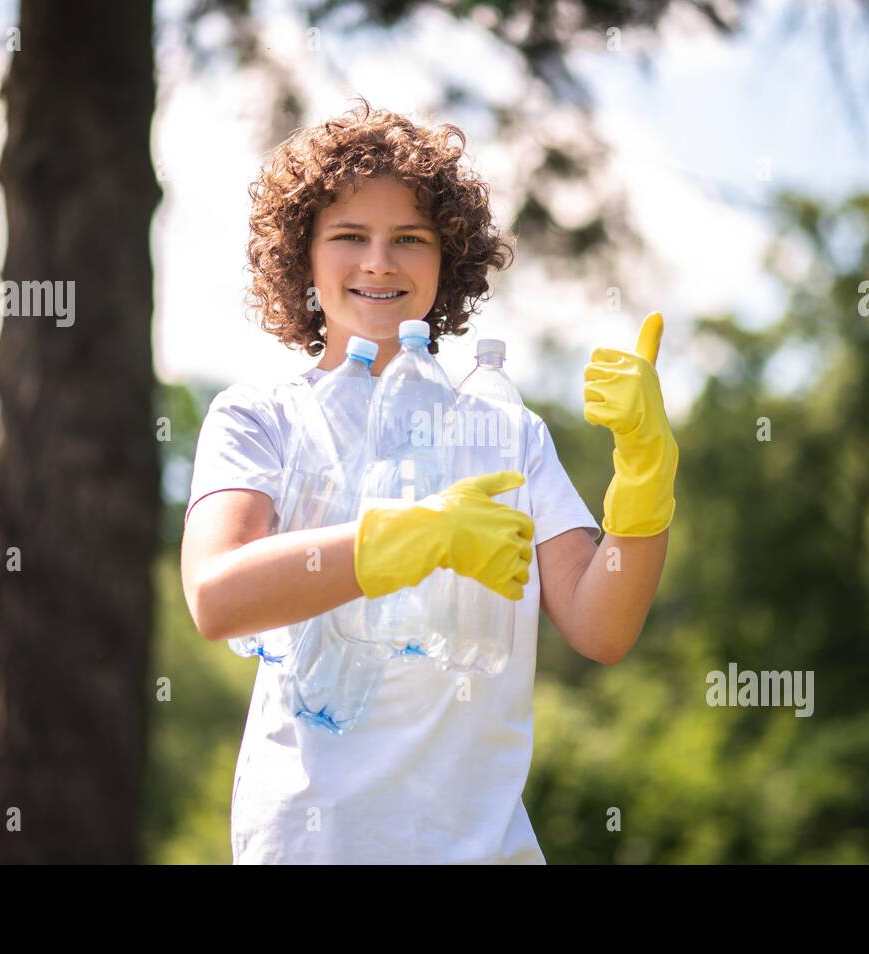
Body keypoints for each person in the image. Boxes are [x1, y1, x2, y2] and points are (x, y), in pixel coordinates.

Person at [179, 97, 678, 863]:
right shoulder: (259, 419)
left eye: (409, 239)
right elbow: (217, 596)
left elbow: (601, 626)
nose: (379, 261)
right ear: (302, 260)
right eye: (349, 237)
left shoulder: (508, 431)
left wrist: (643, 473)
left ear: (448, 264)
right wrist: (416, 538)